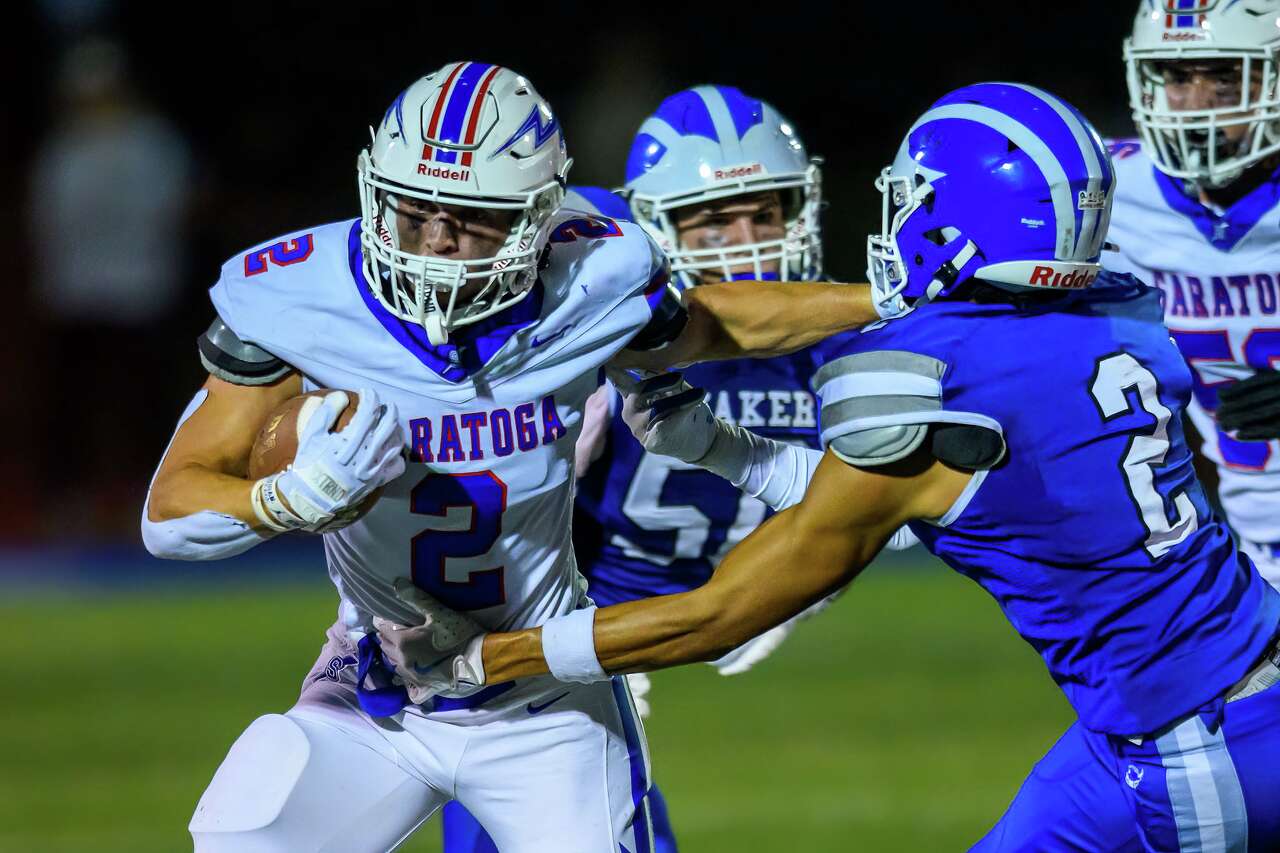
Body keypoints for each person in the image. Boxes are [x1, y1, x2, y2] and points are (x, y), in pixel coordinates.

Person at [393, 82, 1280, 851]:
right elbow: (927, 498)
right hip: (1212, 677)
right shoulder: (1121, 303)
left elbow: (721, 612)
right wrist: (722, 448)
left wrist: (488, 658)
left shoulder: (927, 382)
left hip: (1185, 741)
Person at [140, 62, 879, 852]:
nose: (436, 240)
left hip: (544, 699)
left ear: (538, 216)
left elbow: (718, 321)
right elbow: (168, 511)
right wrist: (283, 499)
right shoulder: (295, 296)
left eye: (473, 216)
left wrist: (887, 297)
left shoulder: (591, 281)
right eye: (414, 210)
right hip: (373, 685)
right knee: (245, 834)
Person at [441, 83, 849, 853]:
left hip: (712, 596)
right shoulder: (598, 301)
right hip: (563, 608)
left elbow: (899, 509)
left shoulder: (834, 339)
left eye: (767, 212)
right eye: (713, 220)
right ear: (653, 228)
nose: (748, 240)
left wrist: (800, 587)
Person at [1108, 0, 1280, 588]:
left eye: (1226, 76)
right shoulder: (1110, 192)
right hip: (1260, 553)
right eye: (1179, 77)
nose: (1197, 103)